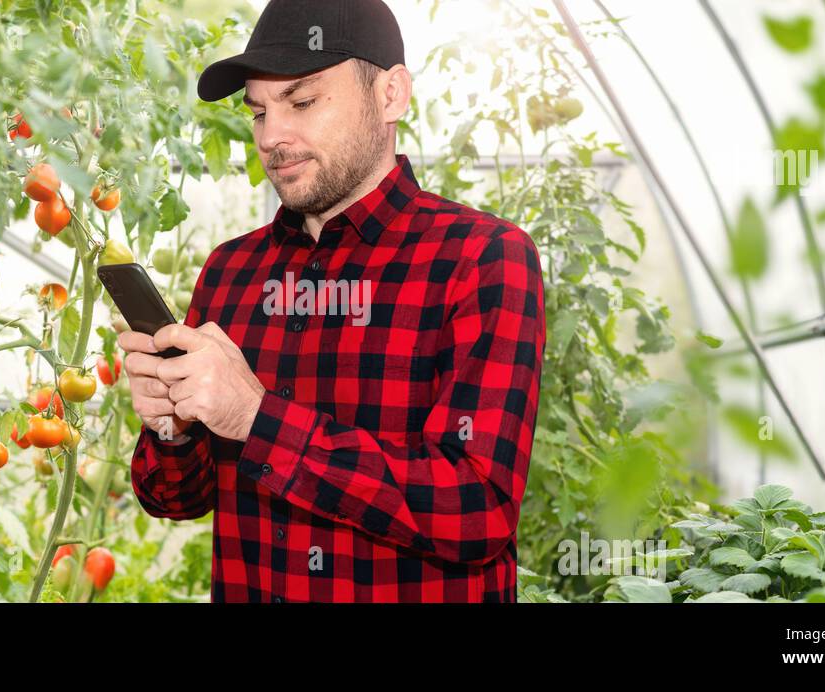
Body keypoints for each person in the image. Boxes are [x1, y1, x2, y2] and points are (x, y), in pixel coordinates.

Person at [118, 0, 546, 602]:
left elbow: (475, 512)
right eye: (260, 112)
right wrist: (173, 426)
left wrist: (256, 418)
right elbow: (177, 500)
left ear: (392, 95)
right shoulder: (232, 271)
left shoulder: (480, 258)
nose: (273, 137)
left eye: (303, 101)